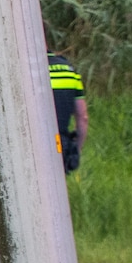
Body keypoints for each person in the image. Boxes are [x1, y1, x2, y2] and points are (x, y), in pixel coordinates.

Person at [47, 42, 88, 173]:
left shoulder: (23, 70)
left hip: (29, 144)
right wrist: (76, 150)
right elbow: (82, 117)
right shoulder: (69, 70)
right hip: (61, 144)